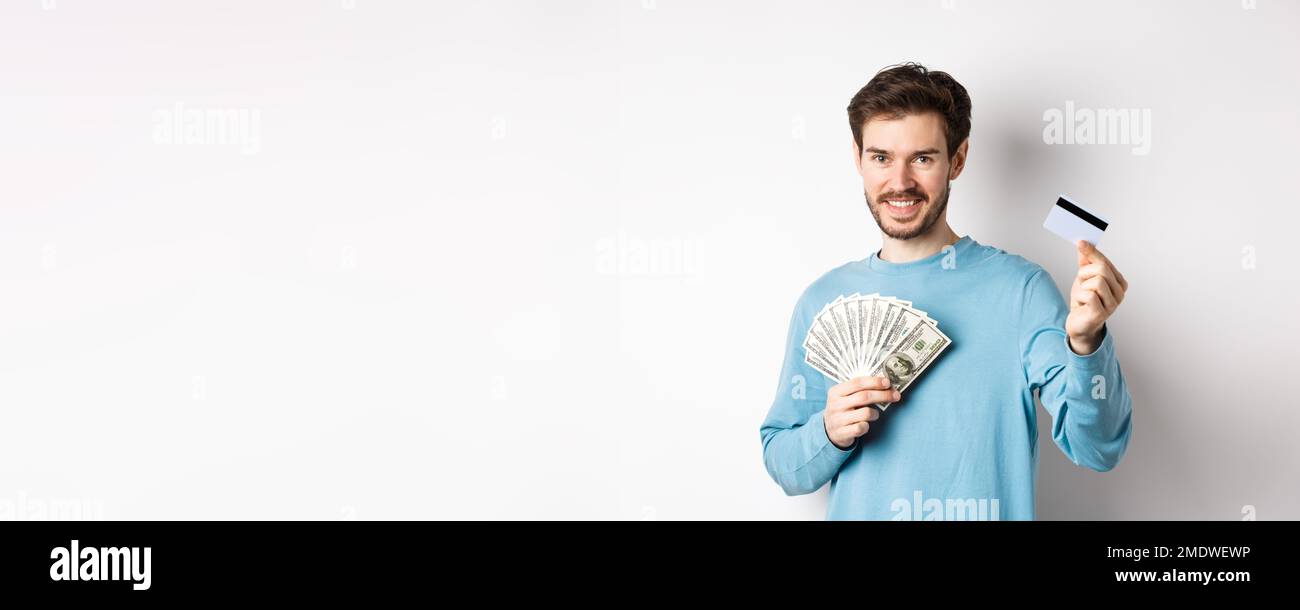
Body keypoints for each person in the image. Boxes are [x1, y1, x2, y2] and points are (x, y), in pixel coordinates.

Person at [759, 62, 1132, 520]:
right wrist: (828, 432)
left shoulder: (1021, 290)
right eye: (881, 158)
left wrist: (1086, 344)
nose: (900, 182)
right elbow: (784, 464)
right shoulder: (823, 300)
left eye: (922, 158)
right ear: (857, 158)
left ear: (957, 159)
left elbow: (1099, 449)